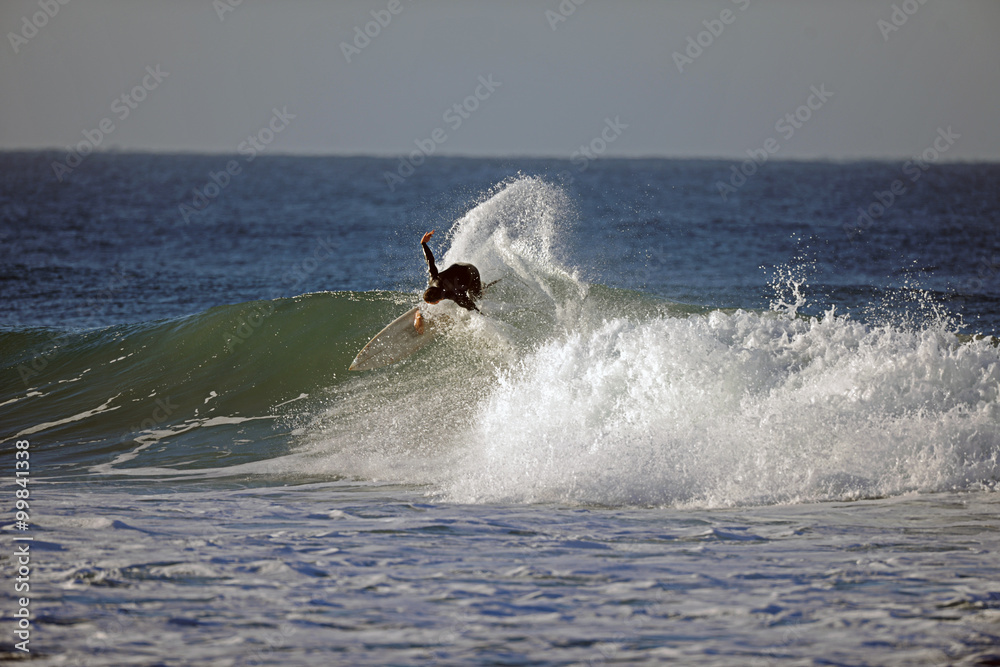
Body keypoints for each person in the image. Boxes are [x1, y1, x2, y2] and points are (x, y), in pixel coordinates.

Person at [414, 230, 482, 334]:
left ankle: (481, 289)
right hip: (459, 266)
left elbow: (475, 310)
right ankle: (419, 314)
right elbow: (430, 261)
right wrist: (423, 244)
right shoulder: (433, 279)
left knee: (476, 298)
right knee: (464, 290)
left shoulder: (456, 296)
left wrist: (482, 321)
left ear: (437, 301)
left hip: (472, 272)